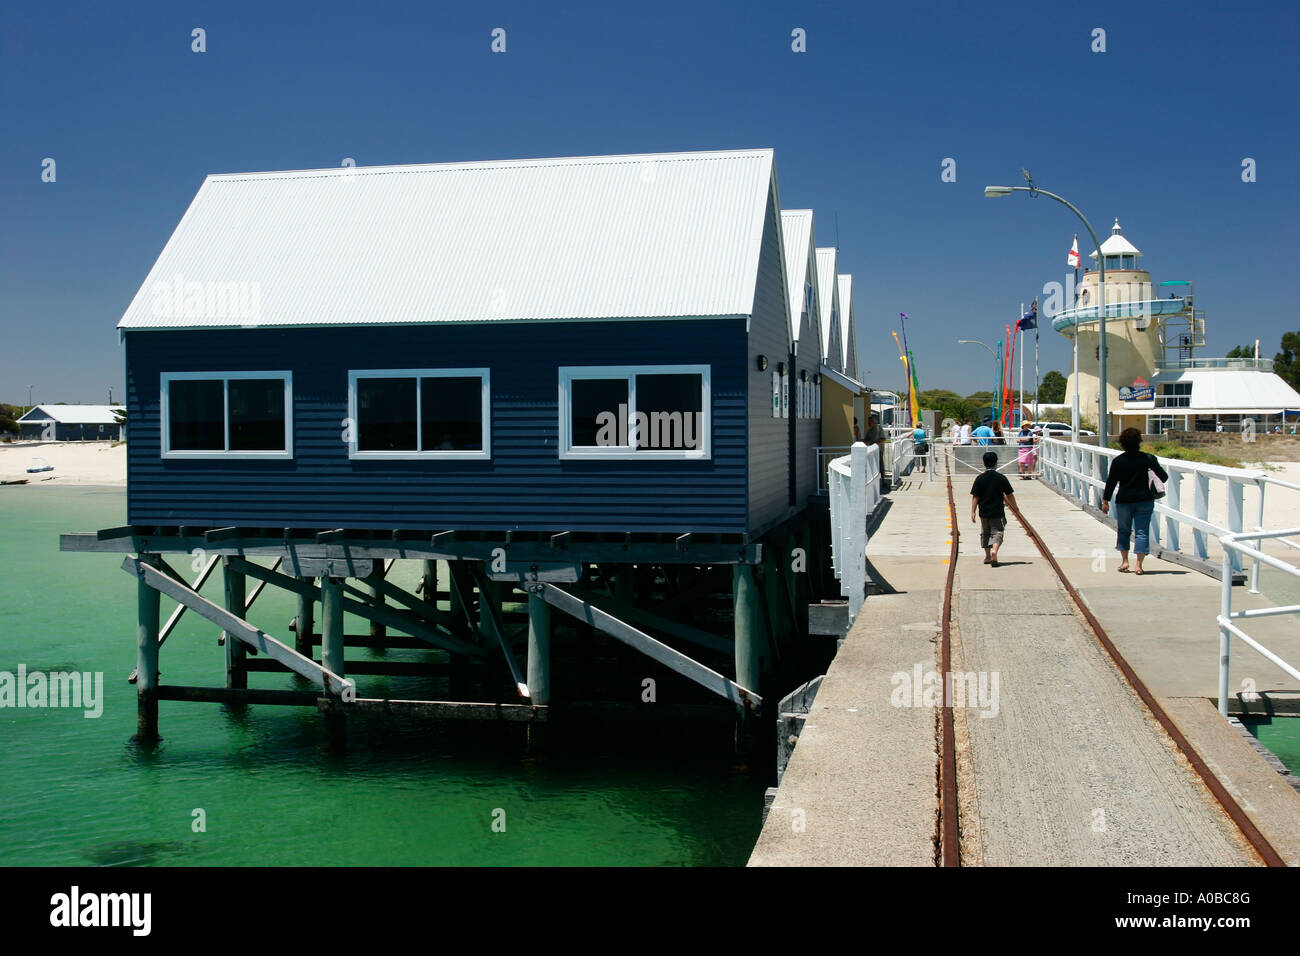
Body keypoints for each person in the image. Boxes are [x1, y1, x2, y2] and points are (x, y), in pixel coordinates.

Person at [1100, 427, 1169, 575]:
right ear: (1139, 442)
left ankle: (1125, 562)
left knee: (1123, 530)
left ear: (1122, 443)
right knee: (1142, 532)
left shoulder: (1118, 461)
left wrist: (1105, 501)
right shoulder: (1149, 459)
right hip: (1145, 500)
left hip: (1124, 500)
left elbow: (1111, 482)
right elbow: (1164, 477)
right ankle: (1139, 565)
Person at [970, 451, 1015, 567]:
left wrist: (973, 511)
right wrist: (1015, 507)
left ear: (984, 463)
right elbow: (1009, 494)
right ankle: (995, 550)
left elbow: (976, 496)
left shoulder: (980, 478)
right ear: (996, 463)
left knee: (985, 532)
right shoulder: (1001, 478)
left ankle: (988, 556)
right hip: (997, 511)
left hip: (983, 512)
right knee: (998, 532)